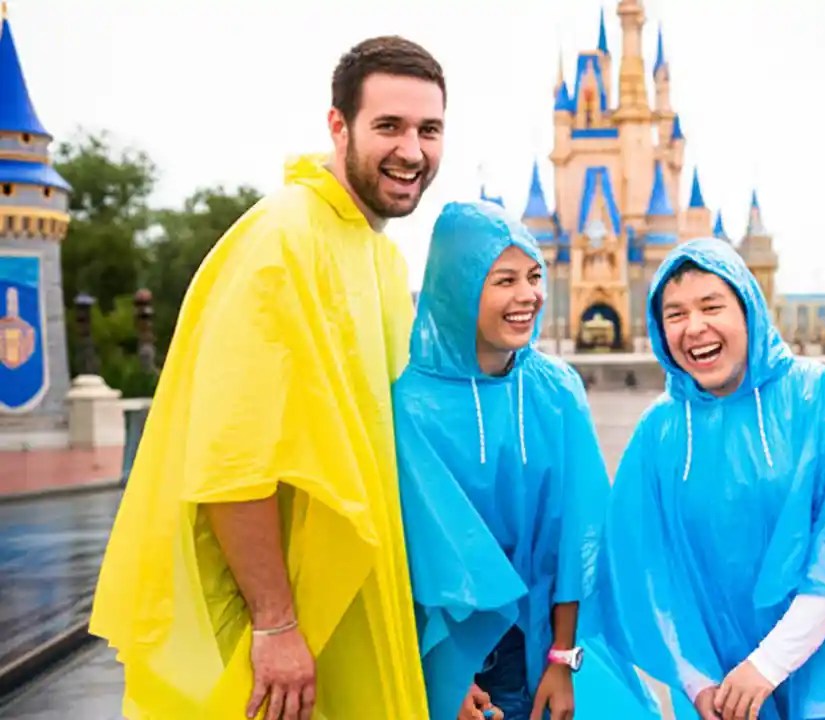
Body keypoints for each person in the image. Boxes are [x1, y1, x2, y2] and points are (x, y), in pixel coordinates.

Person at [89, 36, 446, 719]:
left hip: (362, 619)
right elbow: (233, 461)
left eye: (428, 129)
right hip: (291, 645)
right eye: (389, 126)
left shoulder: (378, 257)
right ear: (338, 126)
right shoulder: (281, 243)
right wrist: (276, 624)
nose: (412, 150)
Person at [598, 237, 825, 720]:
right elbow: (643, 570)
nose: (695, 327)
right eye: (675, 314)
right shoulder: (659, 432)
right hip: (723, 694)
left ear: (747, 307)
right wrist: (699, 680)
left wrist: (768, 665)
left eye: (712, 306)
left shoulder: (821, 399)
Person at [393, 200, 660, 720]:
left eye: (535, 276)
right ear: (458, 287)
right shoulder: (411, 404)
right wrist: (449, 676)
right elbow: (419, 557)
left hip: (539, 649)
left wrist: (563, 660)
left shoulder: (555, 390)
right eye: (504, 280)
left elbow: (578, 537)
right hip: (447, 662)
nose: (528, 296)